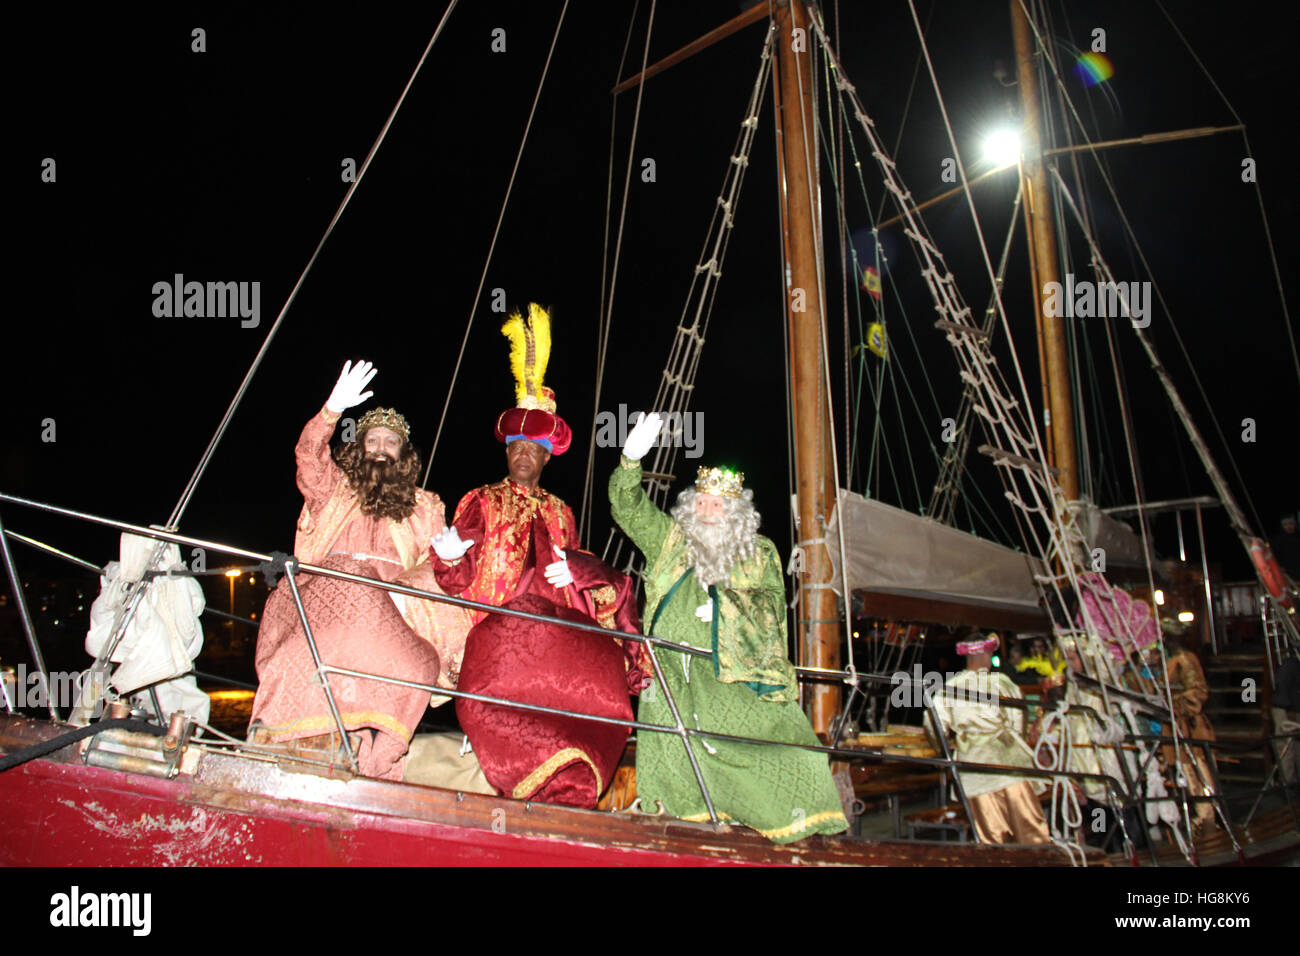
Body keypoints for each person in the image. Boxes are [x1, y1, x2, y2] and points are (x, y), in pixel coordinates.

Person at [432, 305, 645, 808]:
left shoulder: (560, 511)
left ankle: (568, 783)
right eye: (516, 446)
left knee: (593, 686)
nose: (523, 454)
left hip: (555, 629)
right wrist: (446, 556)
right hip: (499, 624)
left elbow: (574, 568)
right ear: (507, 452)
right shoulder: (481, 499)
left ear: (547, 457)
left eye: (534, 448)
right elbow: (456, 571)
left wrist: (586, 573)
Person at [608, 412, 847, 843]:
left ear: (736, 511)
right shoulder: (670, 539)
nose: (708, 511)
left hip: (736, 676)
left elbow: (773, 608)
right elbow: (627, 508)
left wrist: (725, 612)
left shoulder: (760, 552)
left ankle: (794, 826)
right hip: (674, 676)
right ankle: (683, 826)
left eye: (718, 505)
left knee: (785, 743)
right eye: (700, 502)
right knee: (677, 743)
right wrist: (630, 459)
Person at [249, 360, 472, 780]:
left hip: (397, 613)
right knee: (317, 631)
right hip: (326, 603)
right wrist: (331, 411)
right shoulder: (334, 489)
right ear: (360, 446)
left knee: (417, 665)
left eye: (392, 441)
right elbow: (308, 458)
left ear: (404, 454)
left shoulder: (426, 505)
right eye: (374, 439)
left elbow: (437, 570)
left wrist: (451, 560)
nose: (382, 447)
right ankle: (285, 746)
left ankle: (374, 766)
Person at [930, 633, 1051, 844]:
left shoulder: (948, 689)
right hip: (1009, 764)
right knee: (1031, 831)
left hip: (974, 768)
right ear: (986, 654)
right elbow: (1017, 721)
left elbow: (934, 727)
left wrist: (945, 750)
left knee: (991, 837)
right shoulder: (1003, 683)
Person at [1161, 634, 1217, 831]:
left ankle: (1205, 821)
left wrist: (1176, 704)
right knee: (1184, 775)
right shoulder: (1168, 661)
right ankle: (1193, 822)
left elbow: (1198, 692)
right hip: (1175, 727)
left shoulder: (1183, 660)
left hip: (1189, 728)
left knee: (1198, 774)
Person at [1272, 650, 1300, 792]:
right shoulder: (1292, 665)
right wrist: (1289, 710)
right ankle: (1287, 784)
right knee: (1286, 748)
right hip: (1286, 709)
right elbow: (1281, 688)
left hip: (1293, 708)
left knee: (1294, 747)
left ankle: (1291, 782)